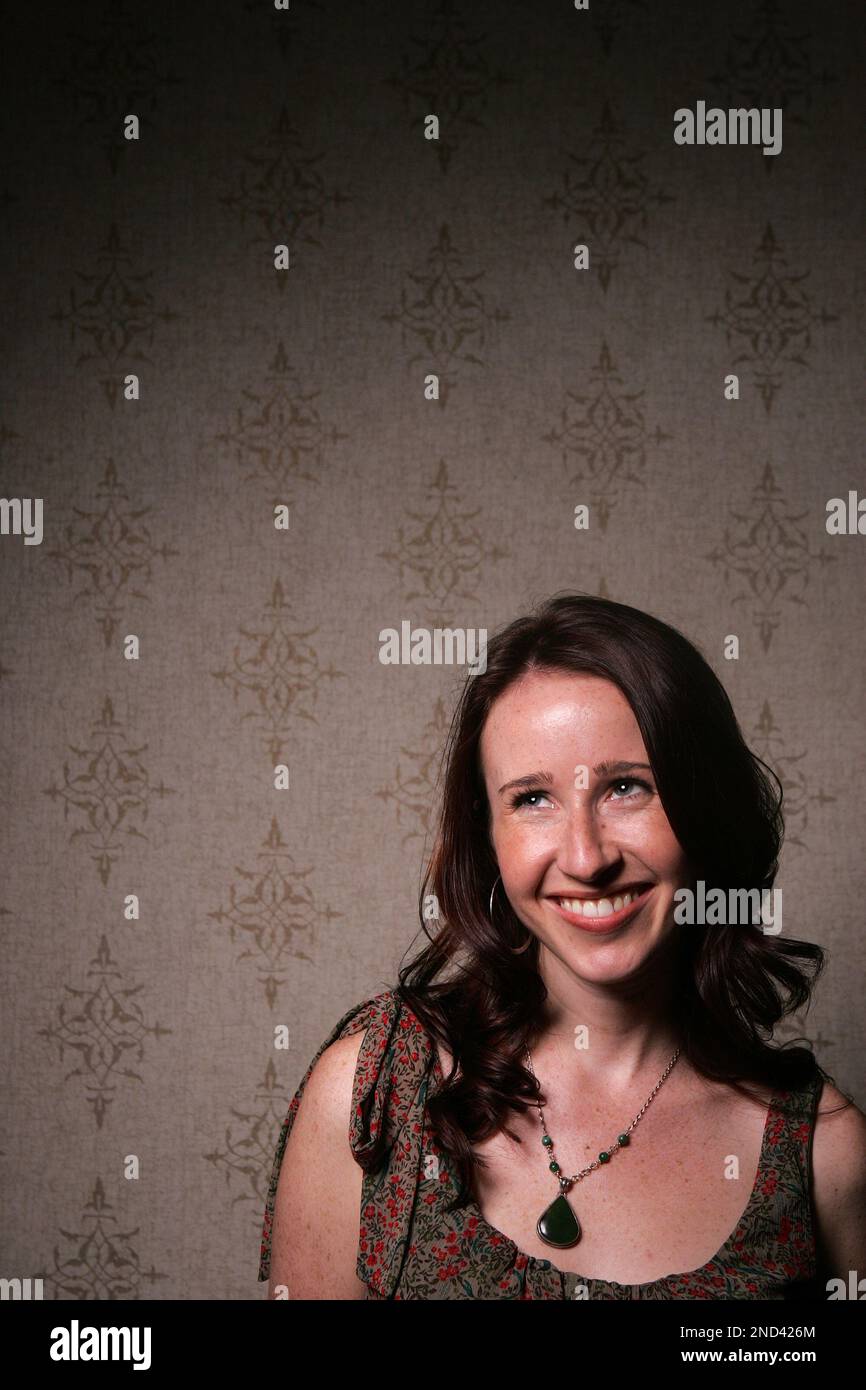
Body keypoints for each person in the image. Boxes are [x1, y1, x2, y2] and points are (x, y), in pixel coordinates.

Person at [258, 592, 866, 1299]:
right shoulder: (374, 1093)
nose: (585, 857)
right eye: (532, 799)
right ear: (489, 838)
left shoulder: (824, 1155)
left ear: (707, 810)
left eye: (627, 788)